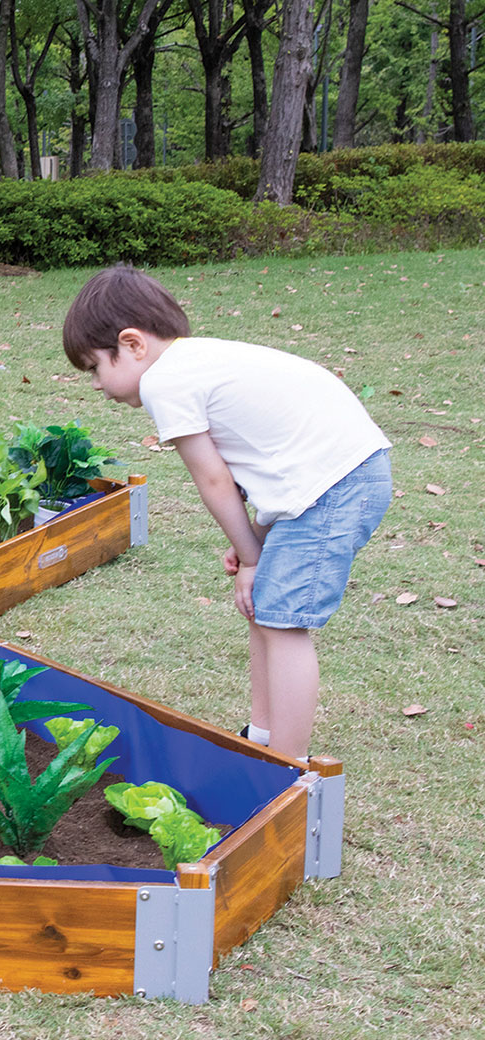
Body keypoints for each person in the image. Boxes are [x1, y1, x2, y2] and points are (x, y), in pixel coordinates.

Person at [62, 265, 390, 762]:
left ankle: (286, 770)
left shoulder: (164, 381)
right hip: (334, 476)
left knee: (282, 622)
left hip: (334, 485)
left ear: (132, 344)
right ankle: (260, 739)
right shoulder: (196, 360)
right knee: (266, 607)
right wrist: (254, 541)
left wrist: (251, 555)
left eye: (94, 367)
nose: (96, 385)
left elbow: (213, 478)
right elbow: (267, 463)